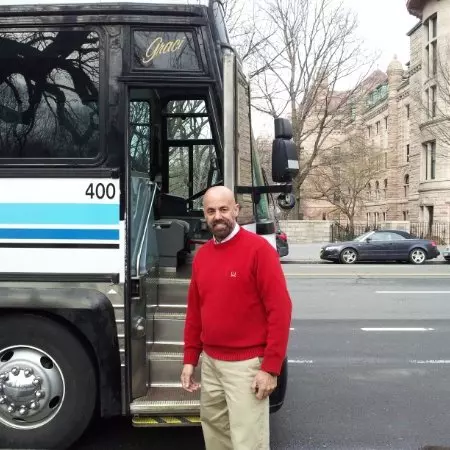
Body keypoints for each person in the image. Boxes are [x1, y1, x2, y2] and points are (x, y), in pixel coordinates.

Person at [180, 186, 292, 450]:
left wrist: (270, 368)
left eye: (223, 209)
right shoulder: (203, 256)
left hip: (247, 367)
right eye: (211, 211)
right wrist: (189, 360)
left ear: (236, 210)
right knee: (216, 437)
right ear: (205, 215)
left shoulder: (259, 251)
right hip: (211, 364)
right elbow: (195, 311)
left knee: (248, 442)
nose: (217, 216)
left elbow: (280, 309)